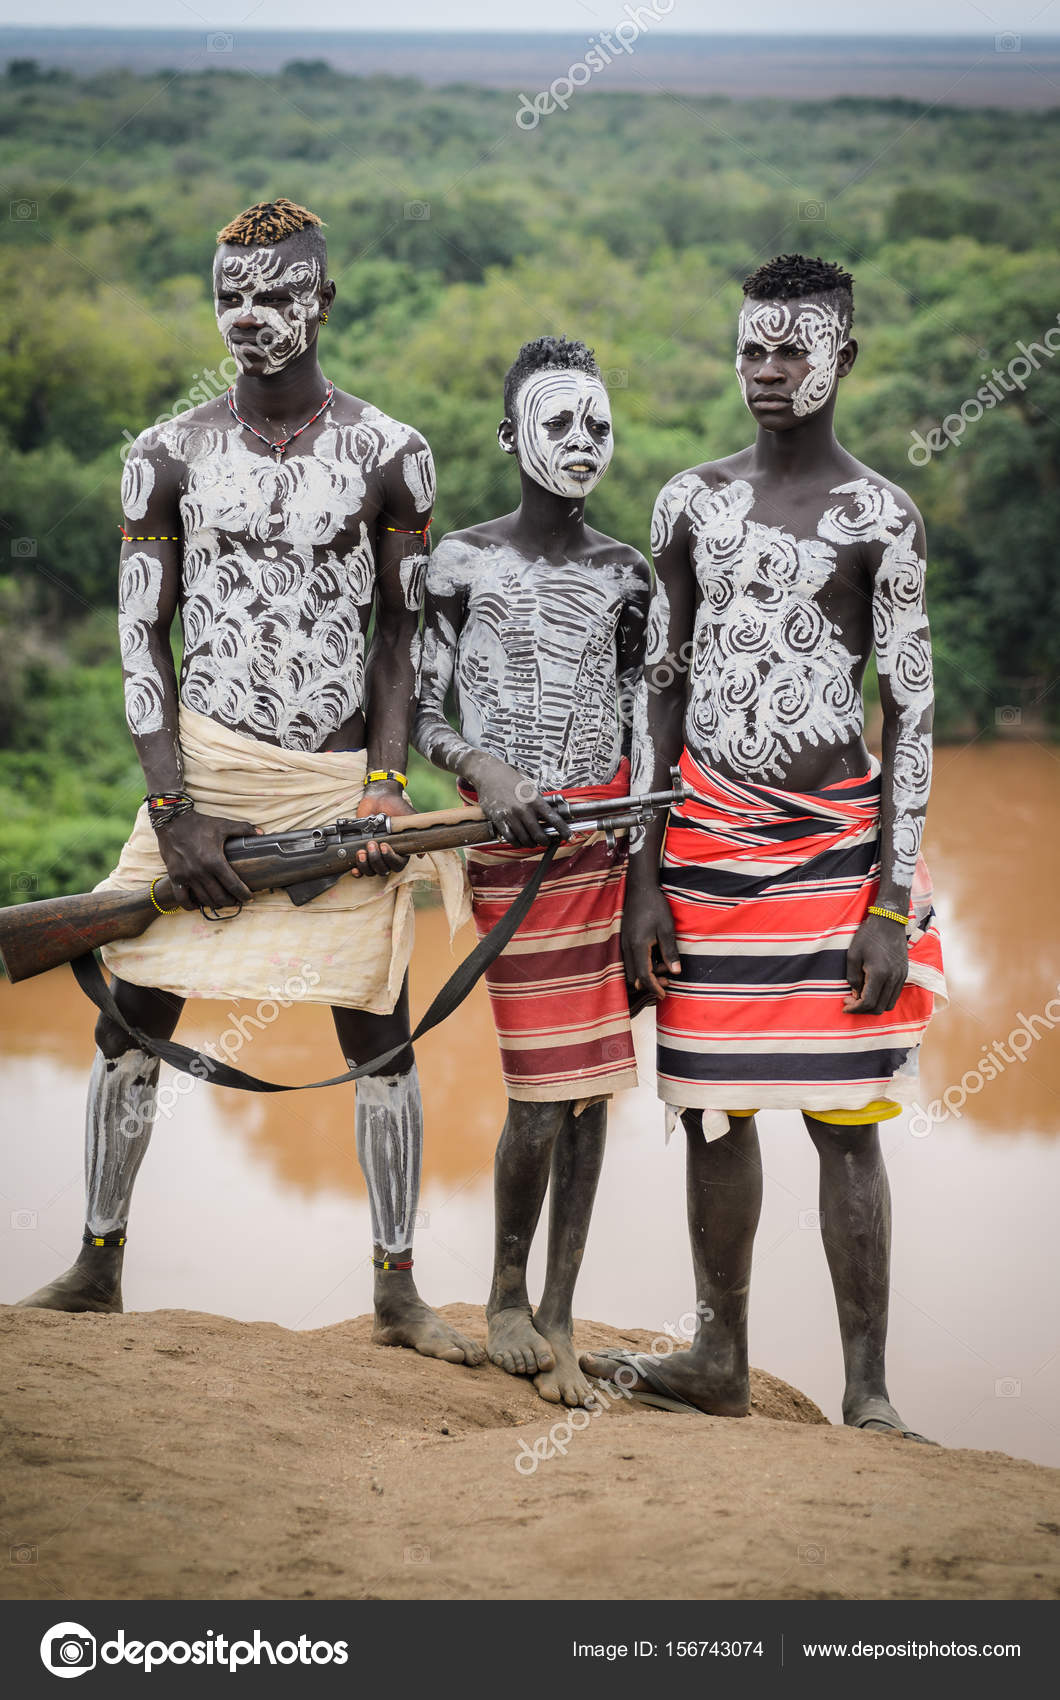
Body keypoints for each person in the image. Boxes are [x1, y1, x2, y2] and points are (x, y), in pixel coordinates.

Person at [16, 197, 482, 1369]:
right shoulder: (163, 455)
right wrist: (173, 812)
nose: (250, 316)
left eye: (276, 293)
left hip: (338, 779)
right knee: (129, 1016)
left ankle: (397, 1291)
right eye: (230, 293)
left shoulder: (391, 453)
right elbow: (142, 643)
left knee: (381, 1033)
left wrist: (384, 789)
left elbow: (400, 637)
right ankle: (96, 1262)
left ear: (324, 299)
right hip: (205, 771)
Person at [581, 255, 946, 1439]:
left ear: (844, 356)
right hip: (701, 845)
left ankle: (868, 1387)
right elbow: (659, 694)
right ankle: (719, 1353)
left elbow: (913, 710)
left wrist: (890, 900)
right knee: (711, 1108)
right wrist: (644, 878)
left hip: (835, 856)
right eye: (751, 349)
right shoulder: (688, 502)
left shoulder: (883, 517)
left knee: (846, 1121)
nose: (768, 371)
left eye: (792, 349)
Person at [414, 335, 651, 1406]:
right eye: (558, 422)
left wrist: (644, 871)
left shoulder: (628, 574)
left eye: (598, 423)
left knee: (595, 1090)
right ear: (511, 435)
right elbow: (422, 714)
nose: (581, 441)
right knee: (540, 1092)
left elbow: (647, 725)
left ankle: (559, 1309)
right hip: (511, 852)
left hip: (606, 844)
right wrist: (484, 766)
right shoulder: (457, 561)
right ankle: (505, 1294)